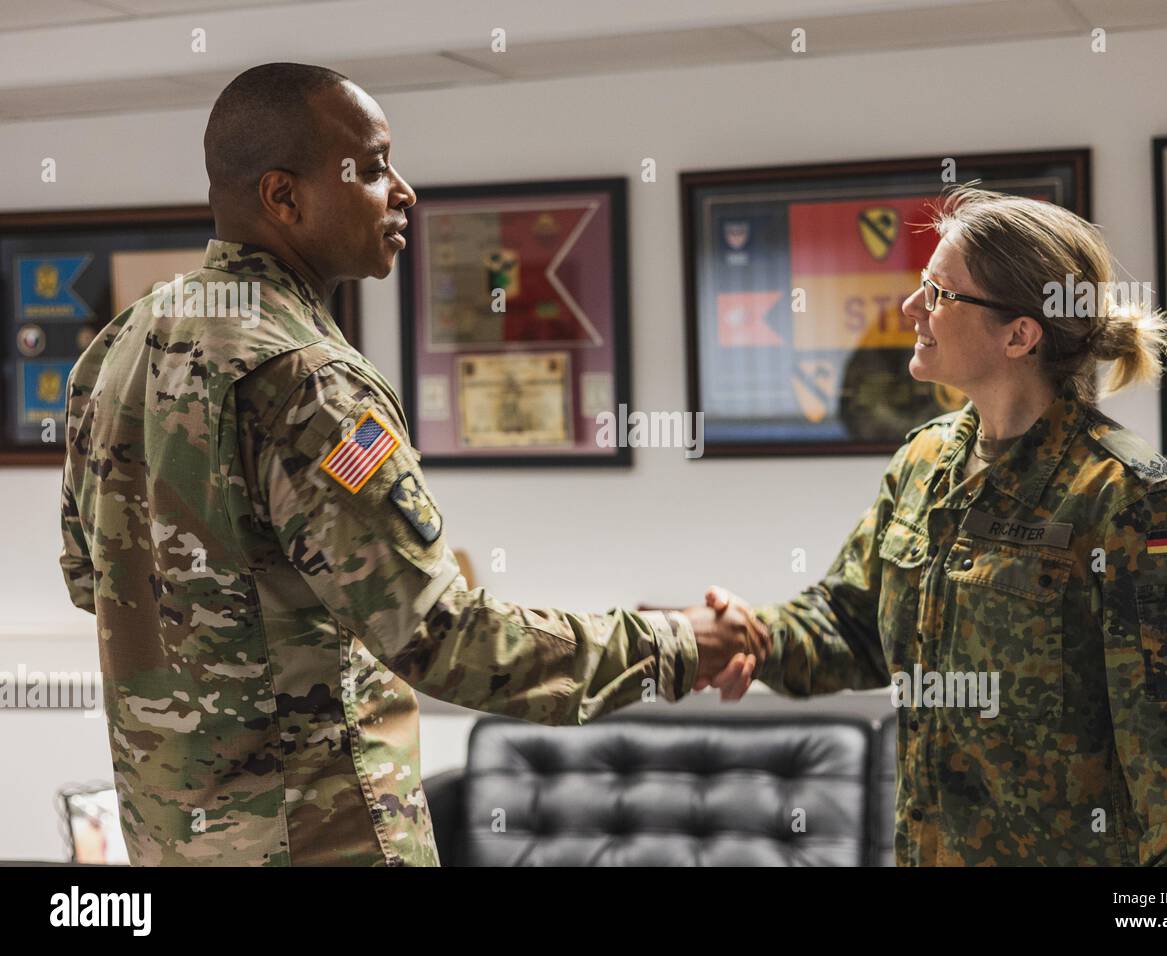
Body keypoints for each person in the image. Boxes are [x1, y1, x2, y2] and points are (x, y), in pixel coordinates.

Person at [58, 63, 766, 867]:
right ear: (284, 198)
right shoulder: (308, 382)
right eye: (373, 166)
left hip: (170, 845)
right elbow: (444, 639)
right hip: (322, 843)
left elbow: (91, 580)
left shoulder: (117, 349)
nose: (404, 192)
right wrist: (673, 644)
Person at [702, 186, 1167, 865]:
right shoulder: (924, 460)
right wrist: (750, 638)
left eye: (939, 294)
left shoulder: (1125, 498)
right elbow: (850, 623)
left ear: (1020, 334)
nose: (910, 308)